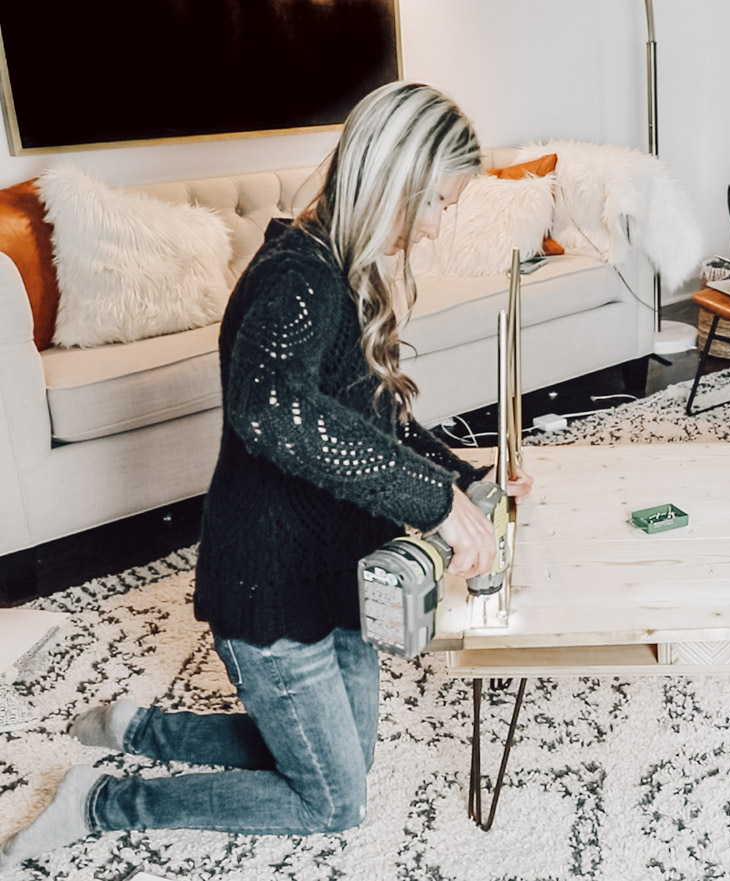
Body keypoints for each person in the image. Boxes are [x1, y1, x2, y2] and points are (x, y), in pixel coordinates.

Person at [0, 81, 532, 868]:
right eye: (435, 201)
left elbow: (371, 419)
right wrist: (433, 502)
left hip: (332, 574)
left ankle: (140, 728)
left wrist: (468, 479)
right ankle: (103, 800)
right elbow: (271, 408)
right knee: (334, 798)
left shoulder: (346, 267)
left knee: (343, 749)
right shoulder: (298, 271)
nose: (432, 226)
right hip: (270, 586)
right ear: (389, 174)